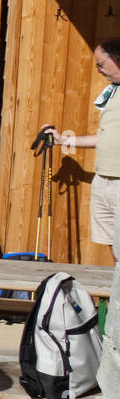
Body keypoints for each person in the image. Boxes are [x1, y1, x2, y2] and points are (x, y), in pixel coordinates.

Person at [43, 39, 120, 261]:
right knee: (114, 249)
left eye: (101, 64)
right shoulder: (113, 93)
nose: (98, 70)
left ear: (117, 59)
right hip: (103, 179)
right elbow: (104, 137)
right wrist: (63, 140)